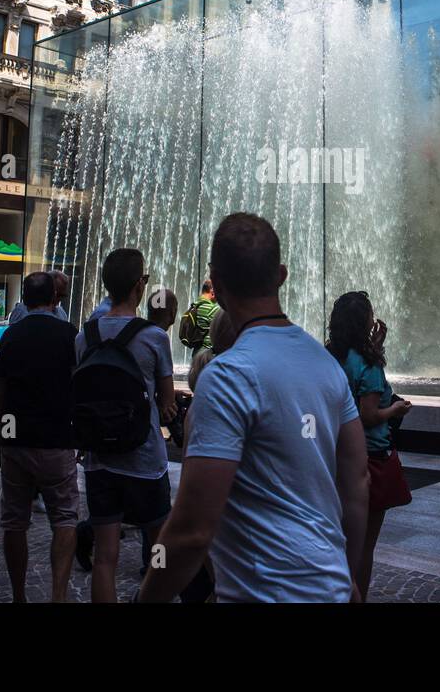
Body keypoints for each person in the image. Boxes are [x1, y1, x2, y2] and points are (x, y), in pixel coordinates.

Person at [138, 213, 369, 603]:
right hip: (331, 589)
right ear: (281, 275)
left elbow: (192, 531)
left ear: (218, 284)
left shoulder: (226, 376)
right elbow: (357, 480)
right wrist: (346, 575)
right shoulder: (326, 364)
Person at [76, 248, 176, 603]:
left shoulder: (85, 335)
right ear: (139, 286)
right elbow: (167, 403)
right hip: (145, 461)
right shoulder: (154, 337)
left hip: (99, 460)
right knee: (159, 548)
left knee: (105, 557)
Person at [0, 271, 80, 602]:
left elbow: (0, 390)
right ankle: (58, 594)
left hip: (17, 441)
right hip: (57, 438)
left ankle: (18, 595)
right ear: (55, 299)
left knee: (14, 520)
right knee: (65, 517)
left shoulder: (13, 336)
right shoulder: (68, 334)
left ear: (25, 300)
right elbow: (77, 384)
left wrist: (4, 431)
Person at [325, 291, 411, 601]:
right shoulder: (369, 365)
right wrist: (396, 410)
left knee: (337, 538)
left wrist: (374, 348)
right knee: (362, 545)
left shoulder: (329, 356)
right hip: (371, 457)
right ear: (365, 323)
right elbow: (369, 415)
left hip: (333, 455)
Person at [179, 280, 221, 355]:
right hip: (208, 356)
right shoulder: (212, 309)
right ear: (212, 292)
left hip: (197, 353)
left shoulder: (194, 306)